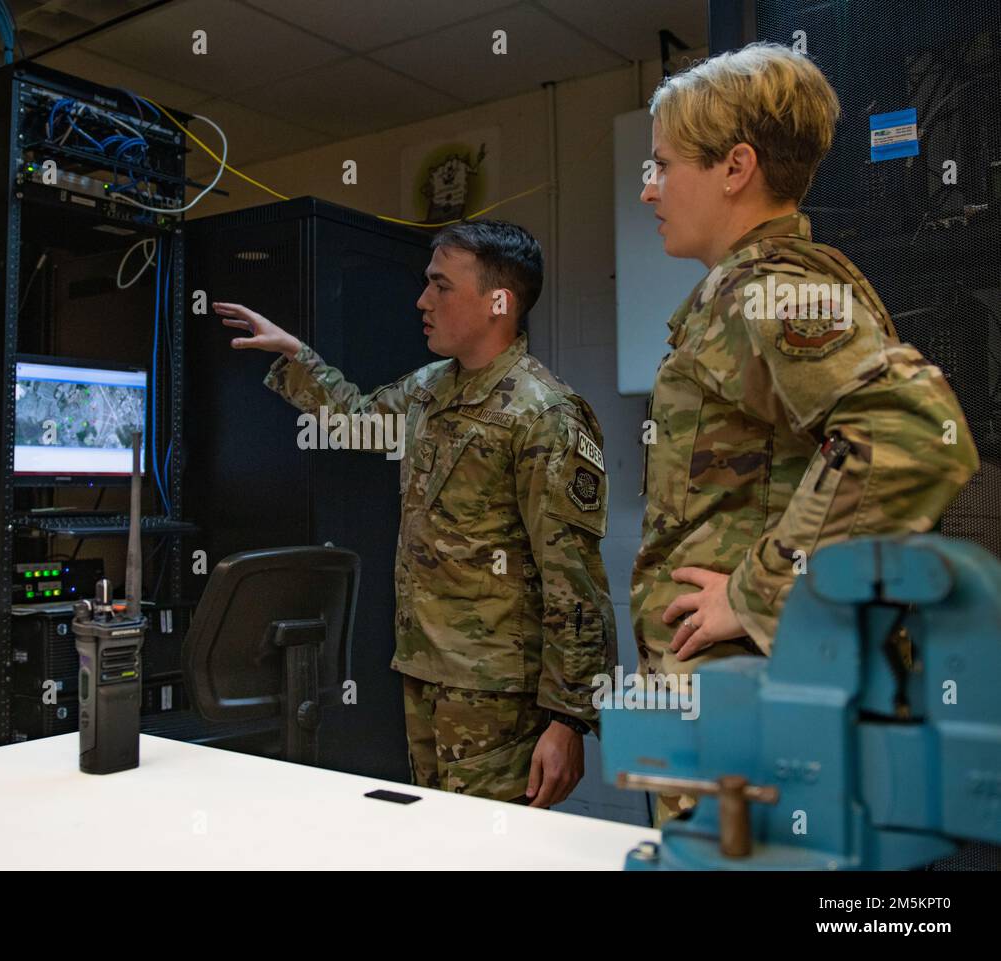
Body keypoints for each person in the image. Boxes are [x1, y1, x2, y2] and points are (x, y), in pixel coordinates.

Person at [633, 42, 979, 822]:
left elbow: (915, 433)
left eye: (662, 165)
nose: (649, 190)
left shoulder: (769, 293)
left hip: (754, 711)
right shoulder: (754, 292)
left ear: (735, 167)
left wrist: (759, 589)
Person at [215, 219, 617, 806]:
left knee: (488, 852)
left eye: (441, 286)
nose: (422, 301)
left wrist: (569, 720)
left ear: (498, 302)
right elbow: (358, 422)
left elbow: (574, 583)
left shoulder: (545, 415)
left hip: (495, 693)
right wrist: (295, 354)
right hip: (426, 670)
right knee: (438, 846)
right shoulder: (433, 387)